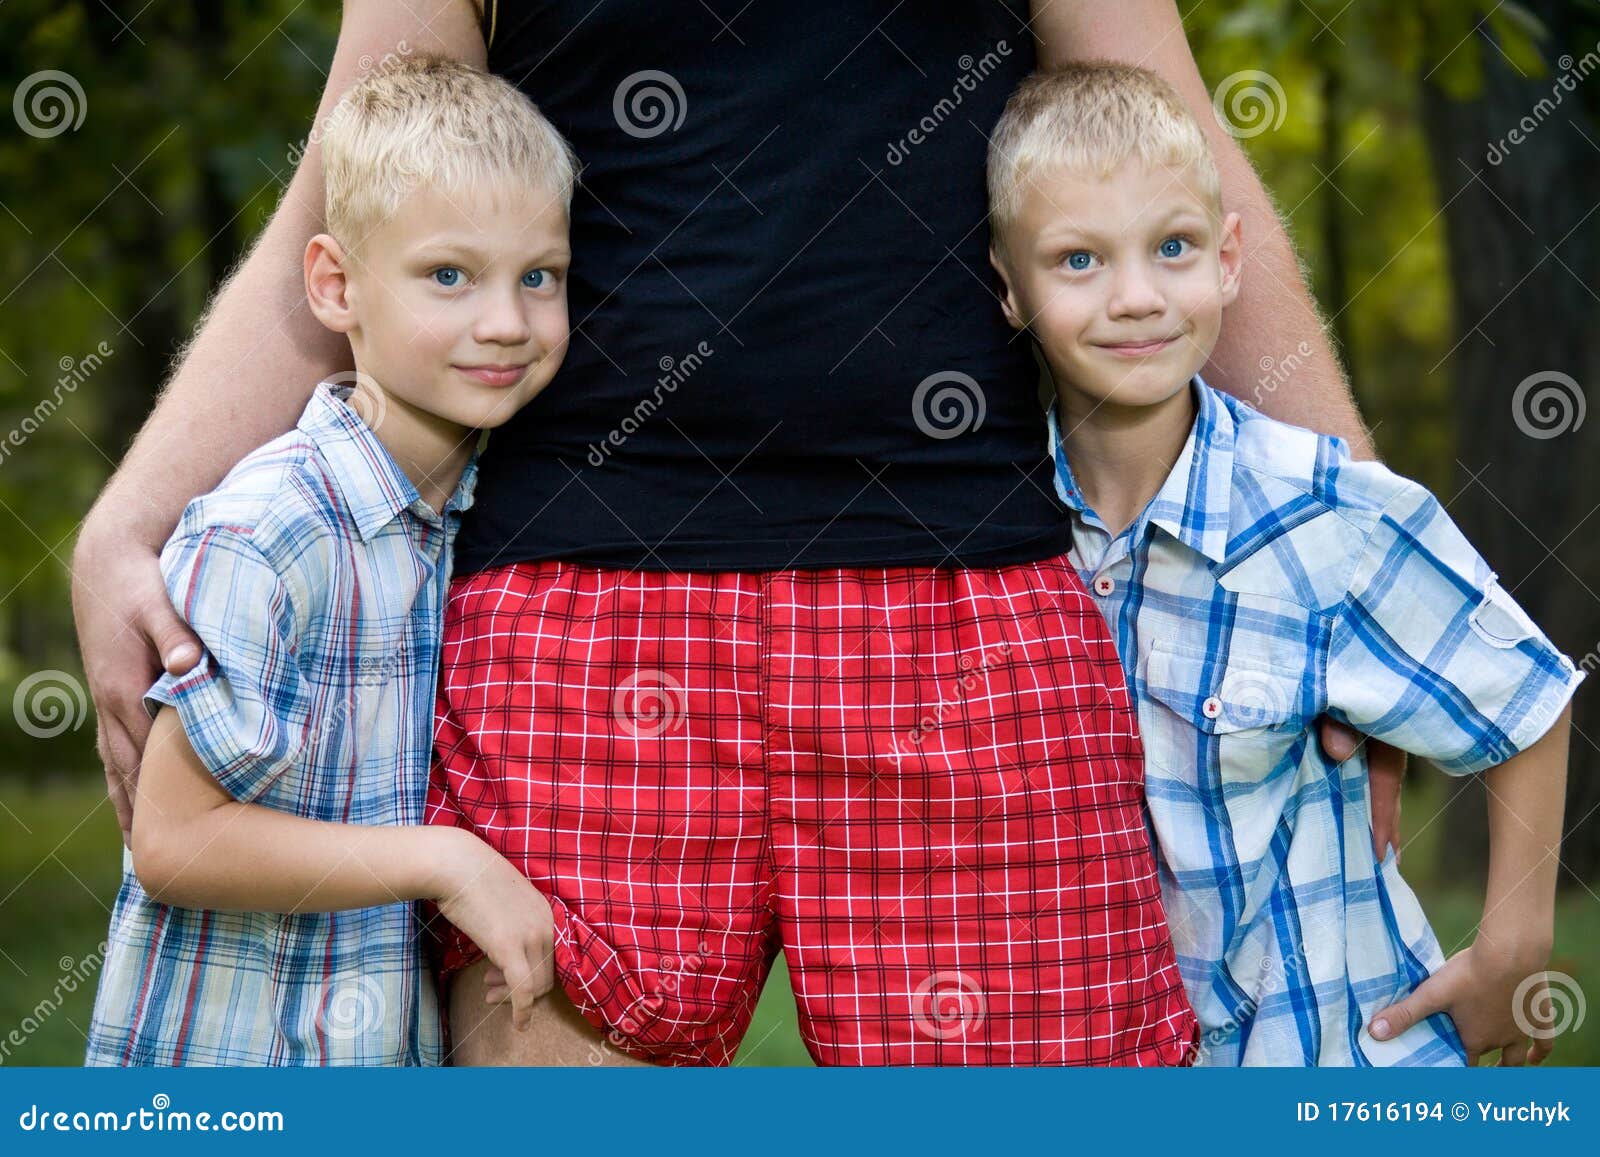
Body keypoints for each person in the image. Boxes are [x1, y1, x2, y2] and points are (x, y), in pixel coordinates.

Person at [72, 1, 1395, 1066]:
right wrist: (127, 523)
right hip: (576, 613)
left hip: (961, 600)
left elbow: (1175, 160)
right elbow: (352, 198)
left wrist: (1354, 553)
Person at [986, 61, 1583, 1066]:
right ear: (1008, 289)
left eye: (1170, 247)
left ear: (1226, 260)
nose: (1136, 296)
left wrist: (1513, 947)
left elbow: (1524, 697)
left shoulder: (1328, 516)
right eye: (1078, 260)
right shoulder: (998, 530)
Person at [83, 57, 574, 1066]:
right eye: (450, 274)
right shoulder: (271, 526)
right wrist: (447, 862)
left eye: (540, 276)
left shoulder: (457, 521)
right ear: (336, 284)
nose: (506, 322)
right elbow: (174, 842)